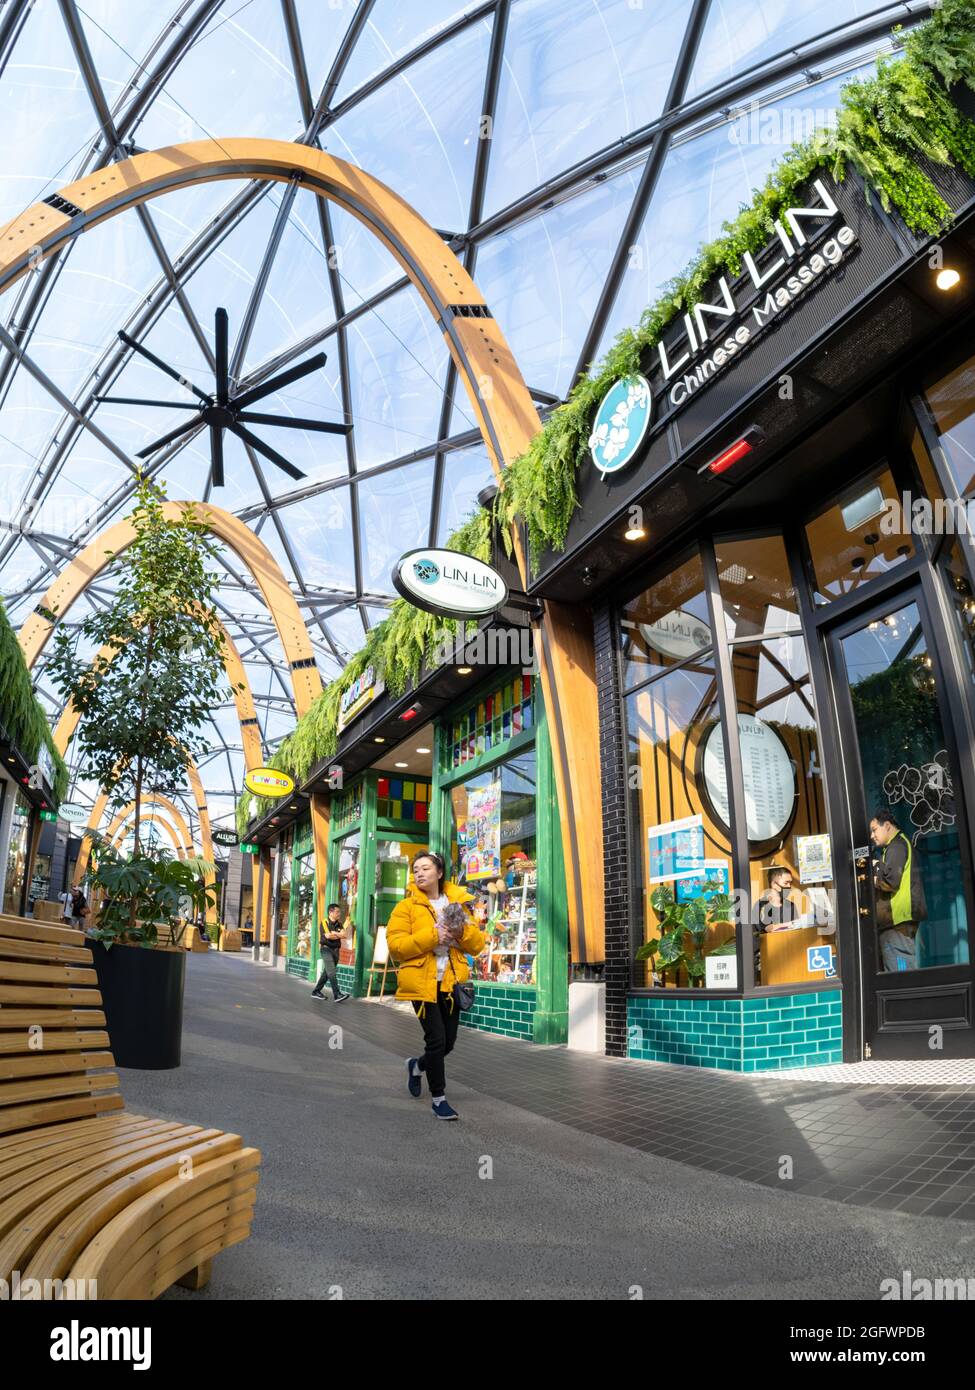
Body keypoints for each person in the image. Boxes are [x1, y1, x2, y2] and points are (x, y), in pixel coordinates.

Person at [387, 851, 485, 1121]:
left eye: (425, 868)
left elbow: (476, 946)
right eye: (415, 869)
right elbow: (396, 947)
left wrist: (461, 932)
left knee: (448, 1044)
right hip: (422, 982)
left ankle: (417, 1066)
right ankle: (439, 1099)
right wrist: (433, 936)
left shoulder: (459, 904)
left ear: (439, 873)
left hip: (451, 983)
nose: (419, 873)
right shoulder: (405, 907)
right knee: (436, 1039)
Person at [870, 809, 926, 971]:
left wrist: (870, 879)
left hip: (897, 920)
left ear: (887, 826)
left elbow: (890, 881)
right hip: (898, 920)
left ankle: (908, 997)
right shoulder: (894, 846)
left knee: (900, 973)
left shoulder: (896, 846)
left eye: (874, 830)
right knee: (899, 968)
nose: (872, 836)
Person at [755, 866, 798, 981]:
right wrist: (789, 924)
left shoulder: (791, 905)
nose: (789, 886)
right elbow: (769, 928)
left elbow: (797, 928)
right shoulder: (761, 906)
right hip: (768, 960)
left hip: (791, 956)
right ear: (774, 885)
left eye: (790, 883)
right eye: (786, 883)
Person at [311, 903, 350, 1002]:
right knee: (331, 971)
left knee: (327, 973)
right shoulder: (324, 922)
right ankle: (337, 995)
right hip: (326, 949)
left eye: (339, 912)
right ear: (330, 912)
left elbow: (345, 935)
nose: (339, 914)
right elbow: (328, 936)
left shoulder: (339, 924)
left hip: (336, 951)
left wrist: (335, 933)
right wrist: (339, 935)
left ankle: (316, 991)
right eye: (337, 912)